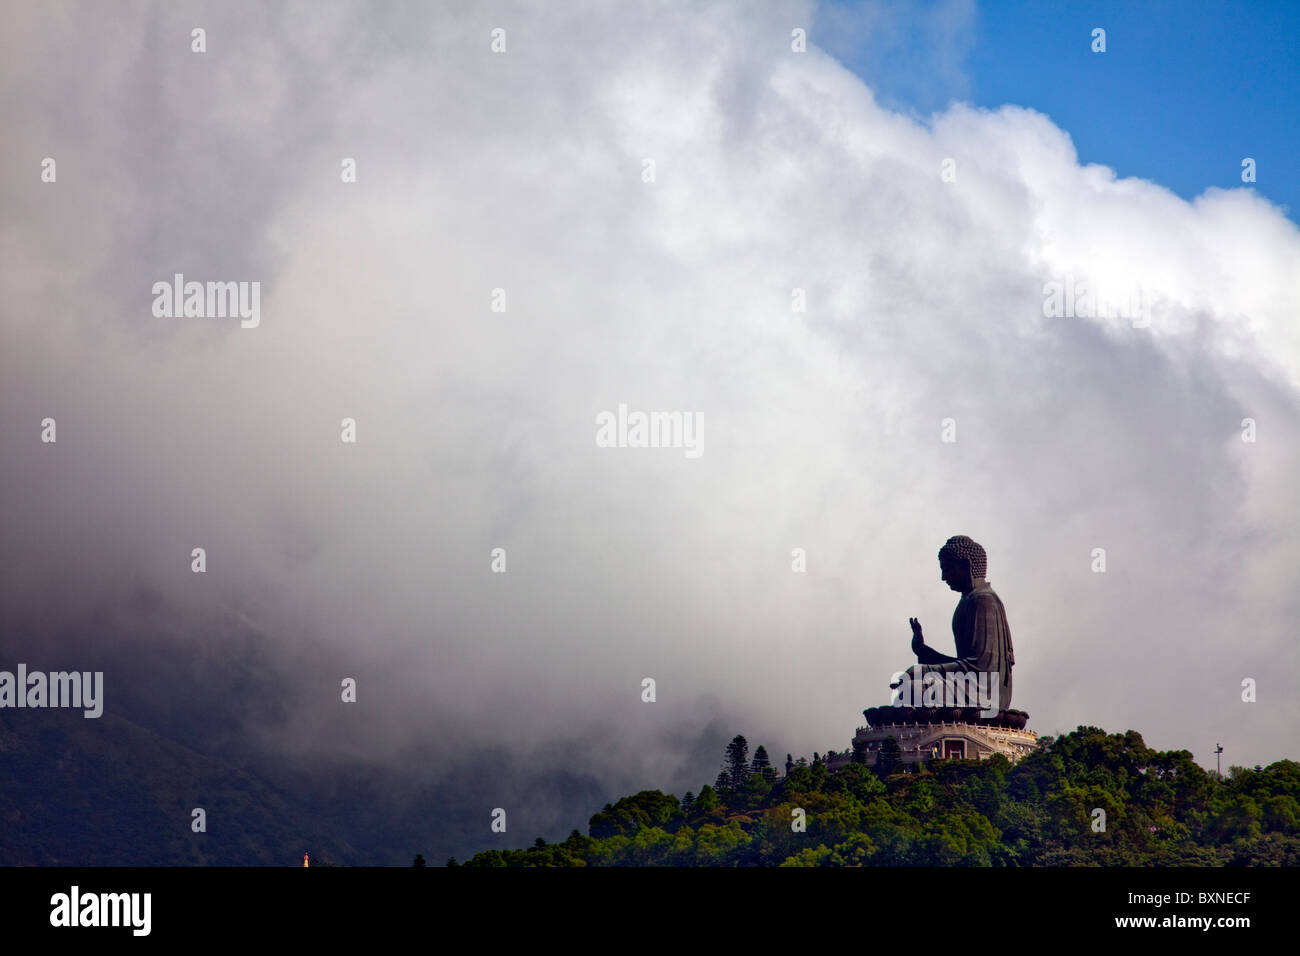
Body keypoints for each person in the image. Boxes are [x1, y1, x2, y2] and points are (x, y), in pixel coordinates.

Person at [892, 535, 1014, 712]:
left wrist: (924, 669)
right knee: (912, 688)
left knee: (914, 689)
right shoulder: (969, 599)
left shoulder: (983, 601)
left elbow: (980, 667)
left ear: (966, 566)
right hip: (969, 686)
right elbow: (964, 664)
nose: (943, 577)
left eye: (947, 569)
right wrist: (924, 651)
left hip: (986, 693)